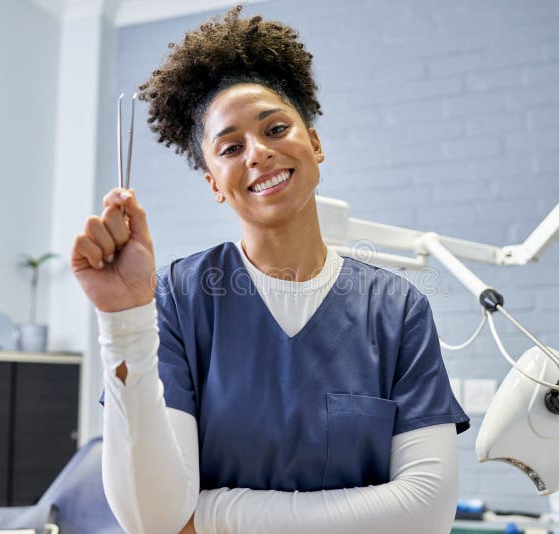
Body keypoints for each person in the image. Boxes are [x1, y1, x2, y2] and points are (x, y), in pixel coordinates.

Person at [71, 6, 469, 533]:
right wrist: (123, 323)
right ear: (215, 182)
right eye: (230, 147)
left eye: (276, 128)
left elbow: (426, 513)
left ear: (315, 143)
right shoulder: (175, 299)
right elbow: (154, 519)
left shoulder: (397, 310)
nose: (258, 153)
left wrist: (209, 515)